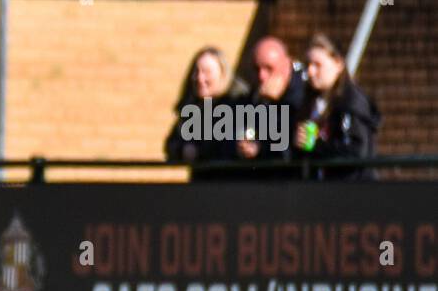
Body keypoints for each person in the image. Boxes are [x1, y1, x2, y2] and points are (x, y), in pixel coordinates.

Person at [293, 33, 381, 181]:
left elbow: (355, 151)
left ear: (338, 64)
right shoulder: (310, 101)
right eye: (308, 64)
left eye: (317, 65)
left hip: (351, 192)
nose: (310, 71)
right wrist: (298, 143)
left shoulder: (350, 100)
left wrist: (316, 145)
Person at [163, 46, 249, 179]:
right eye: (196, 72)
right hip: (201, 186)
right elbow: (172, 145)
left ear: (223, 74)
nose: (200, 78)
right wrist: (184, 150)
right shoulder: (193, 110)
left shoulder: (240, 107)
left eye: (207, 72)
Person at [234, 36, 307, 175]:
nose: (262, 76)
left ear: (286, 66)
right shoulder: (253, 97)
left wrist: (276, 103)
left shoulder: (305, 94)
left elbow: (288, 145)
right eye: (257, 69)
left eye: (269, 68)